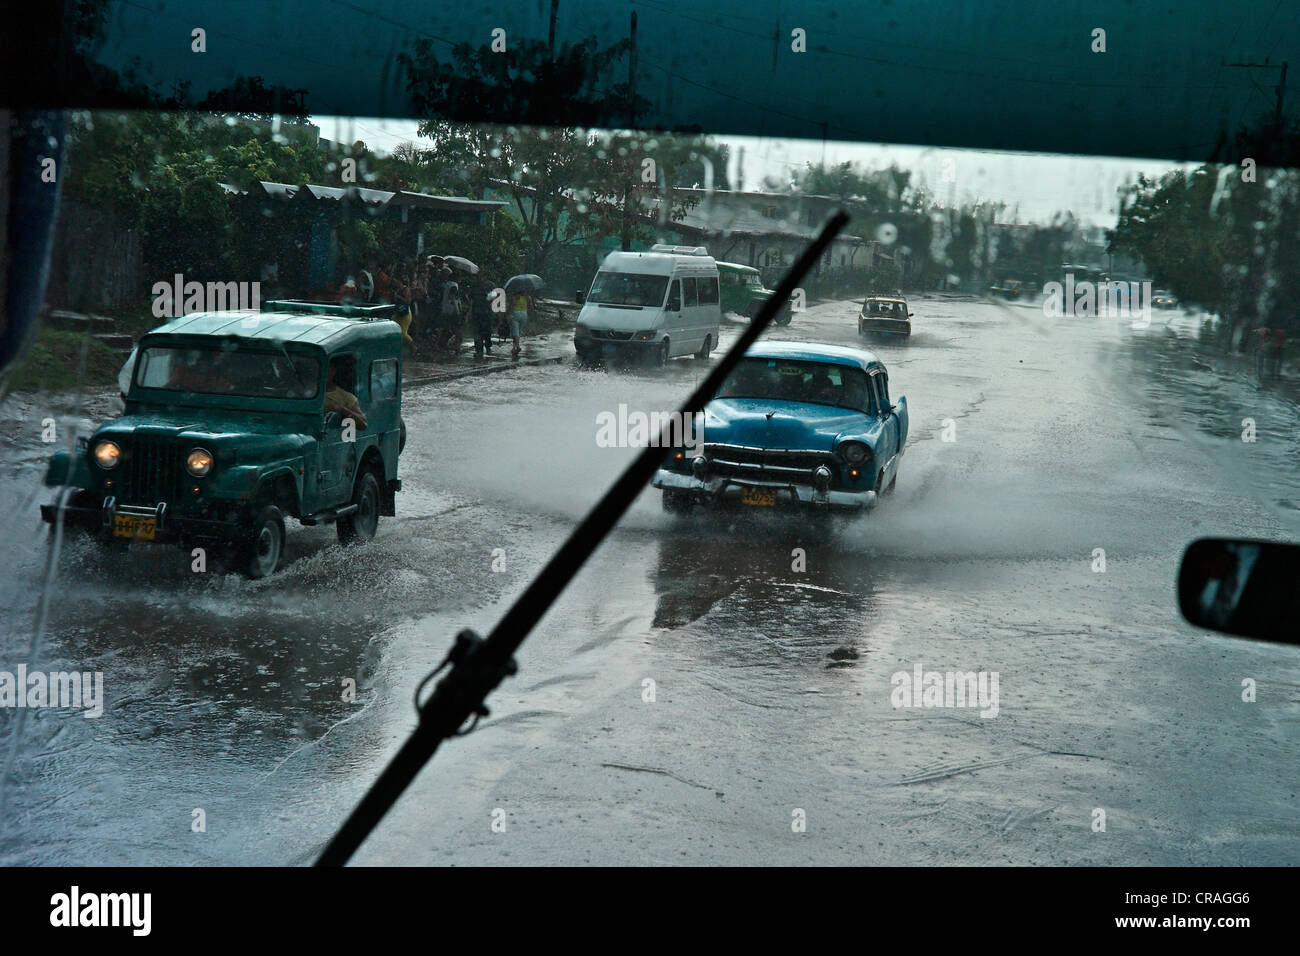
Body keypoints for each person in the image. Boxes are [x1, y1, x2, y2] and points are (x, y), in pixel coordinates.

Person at [324, 358, 367, 430]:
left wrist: (341, 409)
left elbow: (362, 425)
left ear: (333, 371)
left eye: (326, 370)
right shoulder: (301, 394)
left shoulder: (346, 397)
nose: (322, 374)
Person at [471, 276, 495, 358]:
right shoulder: (474, 286)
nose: (480, 278)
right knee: (477, 332)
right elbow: (471, 298)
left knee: (487, 331)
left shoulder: (490, 285)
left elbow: (494, 296)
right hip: (476, 312)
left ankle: (488, 346)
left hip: (487, 312)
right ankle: (479, 350)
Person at [508, 287, 531, 360]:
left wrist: (507, 314)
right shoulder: (528, 297)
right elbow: (531, 307)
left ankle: (517, 346)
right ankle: (514, 347)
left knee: (515, 332)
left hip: (515, 313)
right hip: (524, 314)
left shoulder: (515, 297)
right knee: (518, 331)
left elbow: (512, 306)